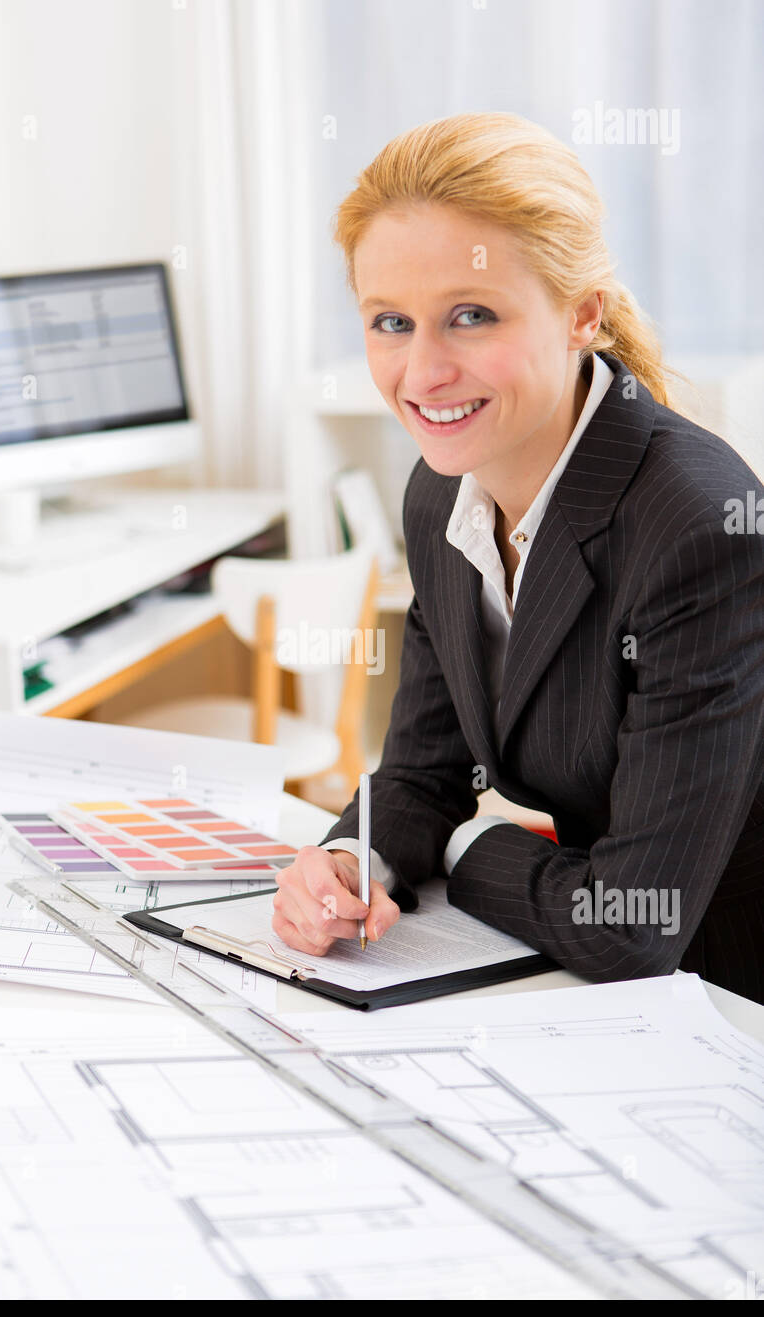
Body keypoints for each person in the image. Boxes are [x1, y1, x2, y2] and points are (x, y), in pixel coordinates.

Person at [272, 112, 764, 1003]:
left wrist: (468, 848)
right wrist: (354, 861)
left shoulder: (698, 529)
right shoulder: (440, 495)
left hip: (729, 992)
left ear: (583, 315)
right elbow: (426, 768)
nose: (421, 375)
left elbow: (631, 926)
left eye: (471, 317)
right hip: (595, 982)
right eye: (390, 321)